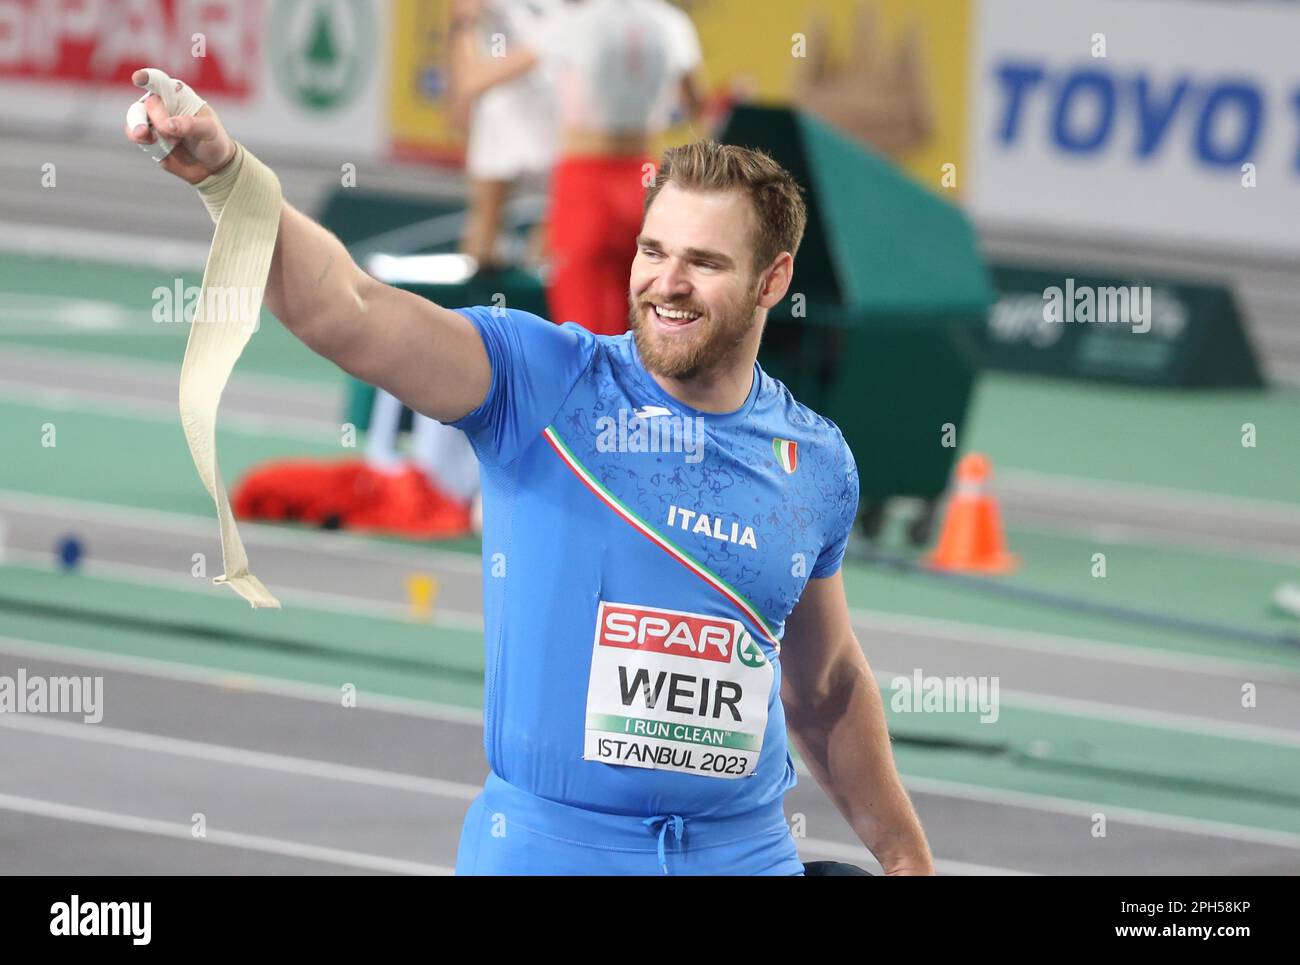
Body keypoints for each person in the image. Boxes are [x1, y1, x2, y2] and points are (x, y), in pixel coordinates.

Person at [124, 74, 935, 875]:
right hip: (550, 853)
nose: (667, 283)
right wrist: (232, 176)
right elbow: (347, 309)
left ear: (773, 280)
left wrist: (905, 858)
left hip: (742, 854)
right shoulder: (543, 383)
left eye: (704, 262)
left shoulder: (814, 459)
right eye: (652, 250)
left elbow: (825, 688)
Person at [449, 0, 707, 336]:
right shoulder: (671, 23)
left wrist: (464, 24)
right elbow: (697, 107)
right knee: (644, 335)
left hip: (587, 185)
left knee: (583, 339)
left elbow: (474, 80)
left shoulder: (574, 24)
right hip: (646, 183)